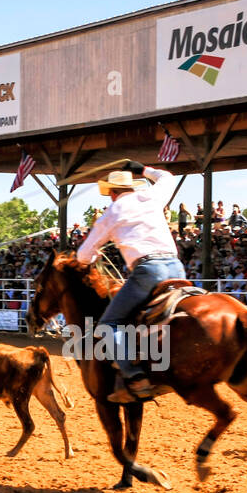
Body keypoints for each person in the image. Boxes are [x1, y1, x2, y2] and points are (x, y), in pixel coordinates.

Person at [76, 160, 185, 403]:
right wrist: (143, 169)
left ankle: (134, 375)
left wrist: (93, 256)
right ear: (132, 187)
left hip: (148, 271)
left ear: (112, 193)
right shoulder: (151, 197)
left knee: (110, 323)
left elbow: (84, 255)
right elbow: (167, 177)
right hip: (176, 267)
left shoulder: (112, 213)